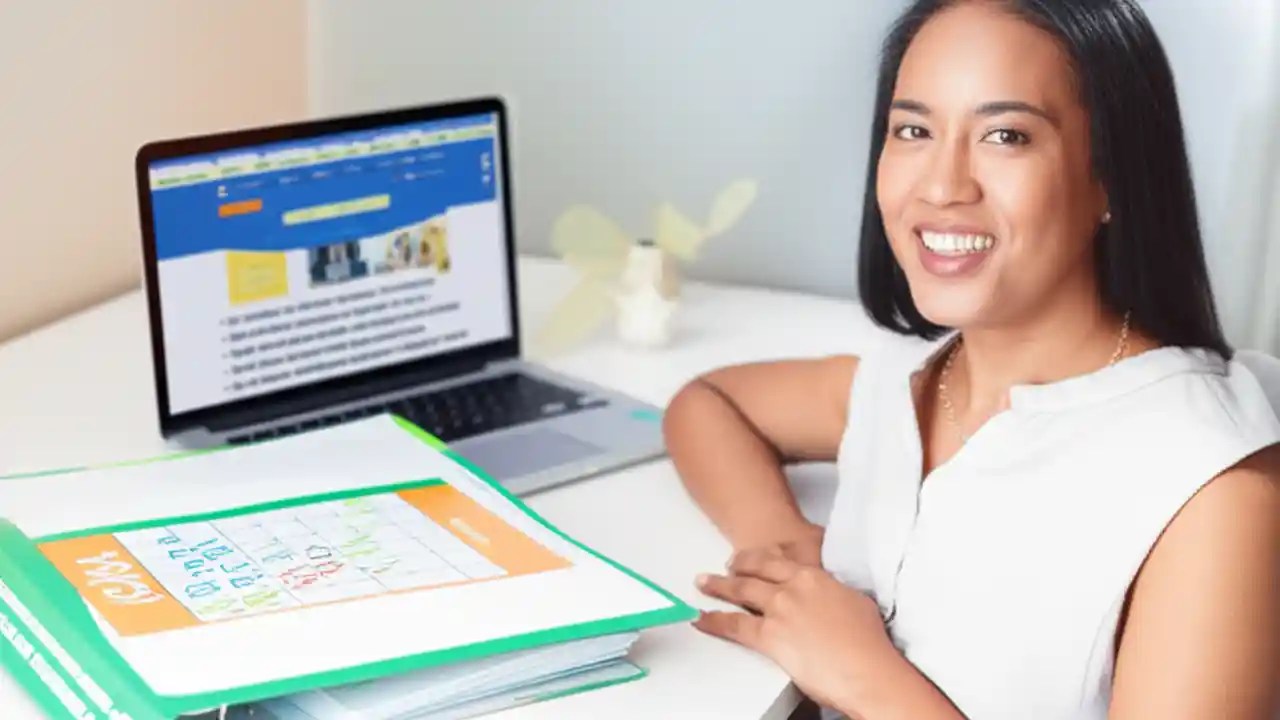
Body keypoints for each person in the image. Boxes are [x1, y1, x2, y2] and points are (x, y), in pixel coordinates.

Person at [661, 1, 1280, 718]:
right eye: (914, 130)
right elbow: (710, 404)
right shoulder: (915, 379)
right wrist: (780, 541)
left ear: (1110, 175)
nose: (942, 185)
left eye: (1006, 135)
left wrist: (864, 674)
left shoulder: (1213, 492)